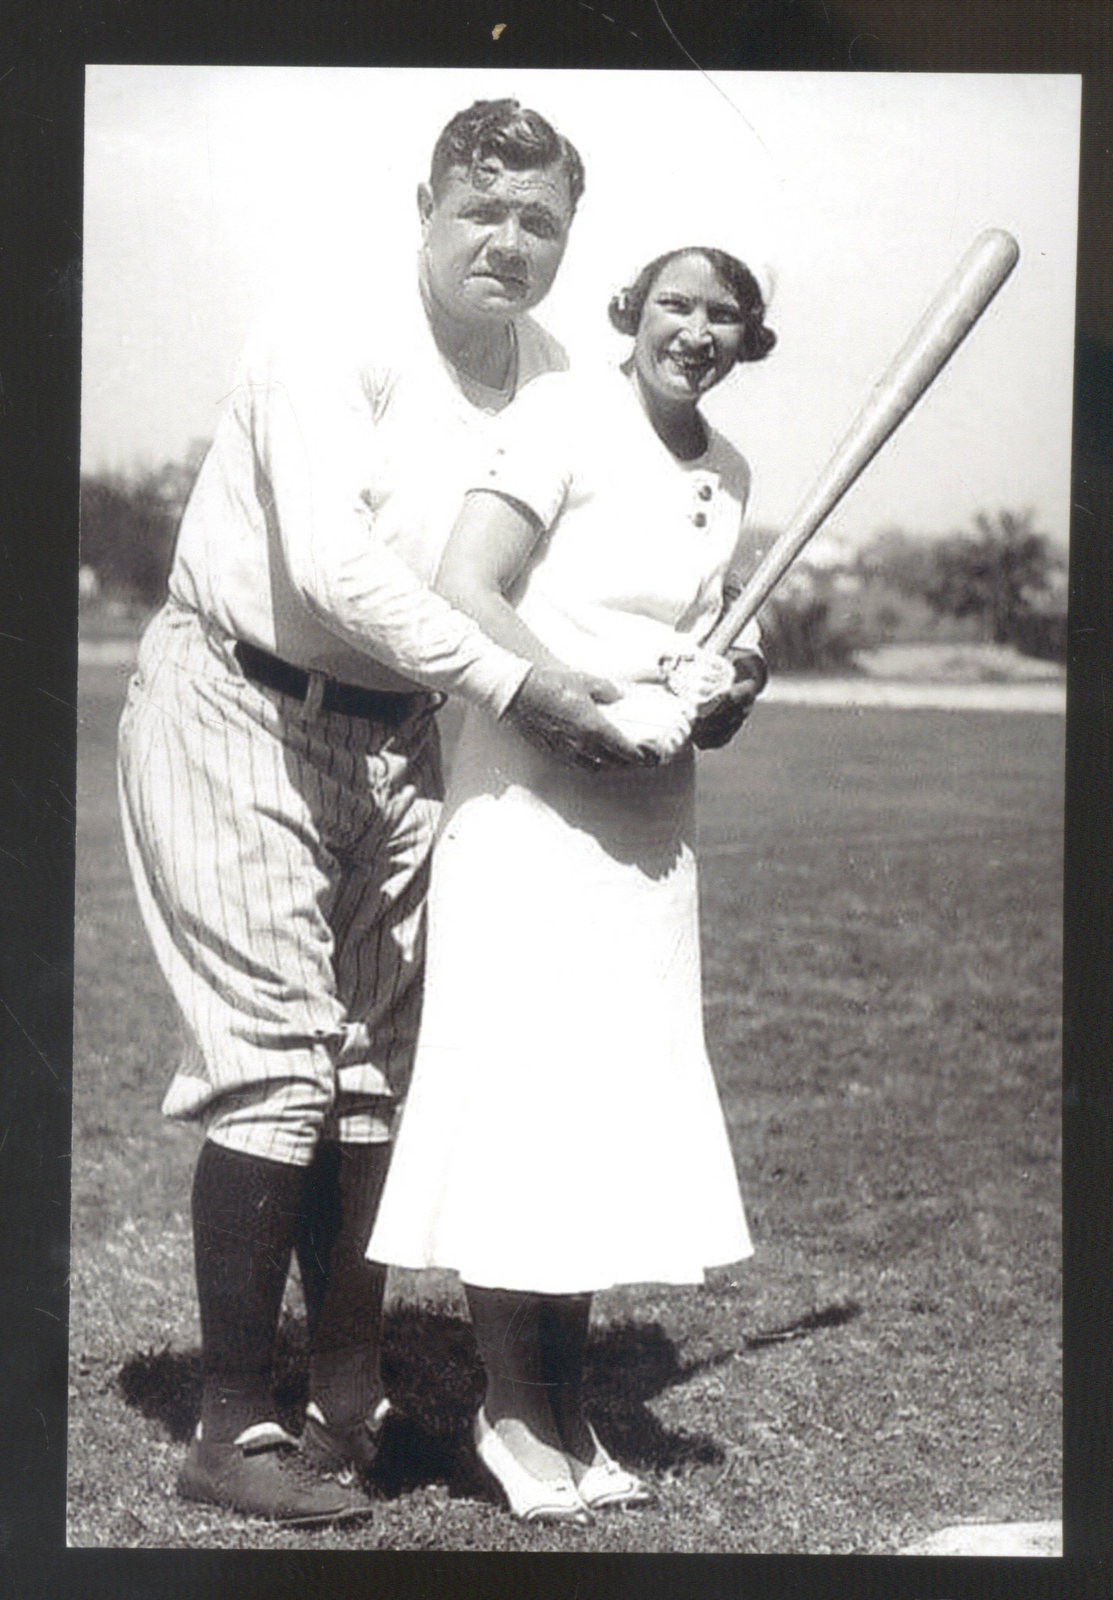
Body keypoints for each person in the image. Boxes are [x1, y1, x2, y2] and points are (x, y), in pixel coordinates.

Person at [116, 98, 642, 1527]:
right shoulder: (328, 327)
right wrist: (526, 694)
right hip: (241, 697)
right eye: (483, 212)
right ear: (426, 206)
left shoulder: (554, 375)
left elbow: (565, 566)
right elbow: (337, 575)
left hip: (400, 734)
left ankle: (346, 1400)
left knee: (374, 1071)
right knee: (282, 1059)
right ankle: (232, 1424)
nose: (509, 242)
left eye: (539, 222)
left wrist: (672, 669)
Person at [366, 246, 776, 1522]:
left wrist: (732, 681)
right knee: (521, 1091)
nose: (696, 332)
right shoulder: (561, 414)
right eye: (676, 306)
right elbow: (464, 585)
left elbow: (707, 636)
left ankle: (565, 1402)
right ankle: (506, 1409)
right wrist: (571, 704)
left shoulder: (731, 470)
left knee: (599, 1100)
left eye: (724, 315)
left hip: (647, 815)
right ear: (632, 317)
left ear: (747, 339)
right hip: (527, 791)